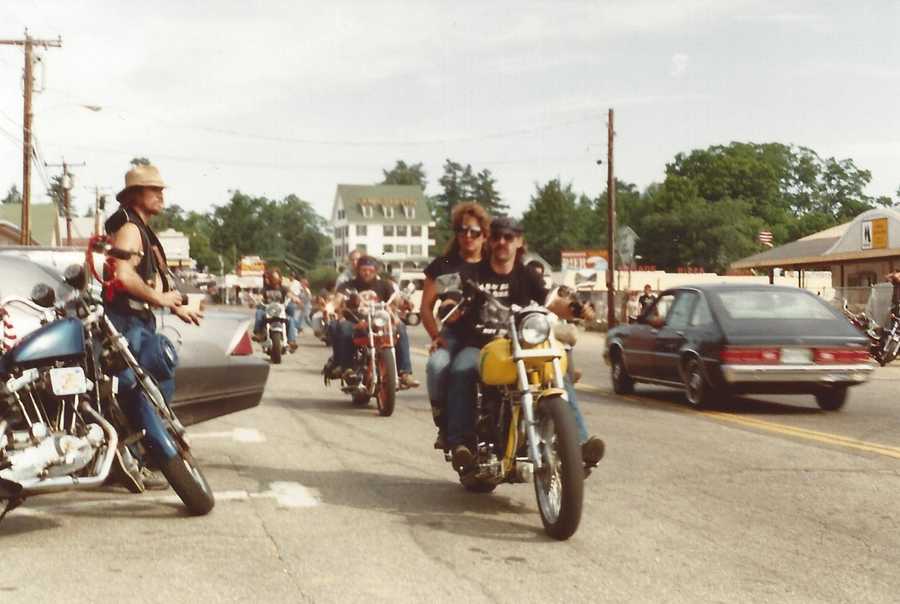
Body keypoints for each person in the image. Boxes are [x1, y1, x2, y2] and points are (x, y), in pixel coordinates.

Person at [445, 216, 605, 471]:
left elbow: (551, 302)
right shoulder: (472, 273)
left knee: (558, 373)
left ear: (519, 242)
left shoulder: (528, 275)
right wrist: (450, 304)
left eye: (508, 237)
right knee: (462, 369)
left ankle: (580, 444)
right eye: (496, 236)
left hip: (523, 344)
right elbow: (452, 293)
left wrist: (577, 309)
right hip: (482, 345)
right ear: (489, 240)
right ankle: (460, 443)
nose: (501, 242)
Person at [103, 163, 203, 492]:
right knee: (138, 388)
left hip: (137, 320)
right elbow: (123, 274)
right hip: (128, 322)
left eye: (161, 189)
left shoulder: (140, 228)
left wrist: (174, 305)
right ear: (135, 196)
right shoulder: (131, 229)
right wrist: (160, 299)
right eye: (154, 190)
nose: (161, 195)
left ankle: (135, 455)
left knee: (158, 383)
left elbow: (150, 281)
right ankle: (132, 457)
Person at [422, 202, 491, 449]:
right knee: (436, 365)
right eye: (462, 231)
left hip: (486, 335)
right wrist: (435, 336)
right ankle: (443, 422)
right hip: (453, 334)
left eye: (474, 232)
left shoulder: (492, 264)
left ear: (484, 234)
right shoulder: (443, 265)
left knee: (466, 369)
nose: (468, 237)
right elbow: (426, 309)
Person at [330, 255, 420, 388]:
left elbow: (396, 299)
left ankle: (405, 373)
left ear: (376, 271)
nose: (367, 272)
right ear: (358, 270)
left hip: (379, 322)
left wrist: (405, 303)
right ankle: (347, 368)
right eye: (363, 269)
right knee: (344, 328)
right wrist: (330, 308)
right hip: (356, 321)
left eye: (370, 270)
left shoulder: (385, 285)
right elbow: (337, 299)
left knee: (400, 327)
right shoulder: (348, 285)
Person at [253, 269, 299, 351]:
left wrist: (295, 298)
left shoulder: (283, 288)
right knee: (259, 312)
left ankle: (291, 341)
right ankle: (259, 333)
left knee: (290, 320)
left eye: (276, 278)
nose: (275, 280)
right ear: (270, 279)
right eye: (273, 278)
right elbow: (260, 296)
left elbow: (290, 294)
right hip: (268, 310)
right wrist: (256, 300)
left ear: (280, 278)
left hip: (280, 311)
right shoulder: (265, 289)